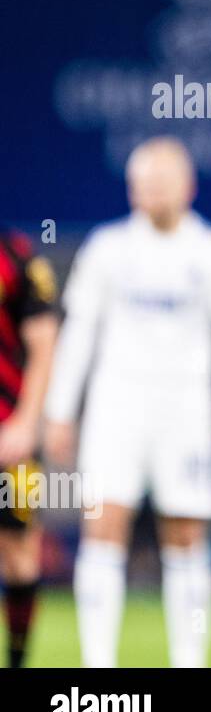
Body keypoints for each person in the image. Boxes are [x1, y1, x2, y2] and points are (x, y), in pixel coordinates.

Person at [44, 137, 211, 667]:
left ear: (187, 186)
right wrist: (59, 410)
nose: (151, 191)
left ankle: (188, 660)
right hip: (117, 404)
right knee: (103, 527)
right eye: (143, 182)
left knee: (186, 535)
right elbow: (79, 332)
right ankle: (99, 666)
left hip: (184, 408)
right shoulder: (107, 249)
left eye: (162, 180)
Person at [0, 228, 60, 666]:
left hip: (9, 433)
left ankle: (18, 659)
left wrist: (26, 421)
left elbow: (44, 344)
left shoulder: (17, 255)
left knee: (19, 551)